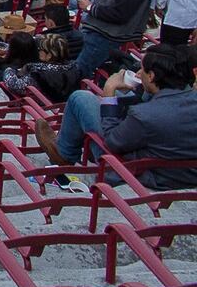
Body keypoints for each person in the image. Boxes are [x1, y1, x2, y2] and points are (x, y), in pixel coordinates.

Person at [35, 45, 197, 191]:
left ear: (152, 76)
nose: (139, 73)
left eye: (142, 70)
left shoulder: (144, 115)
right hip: (187, 173)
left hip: (144, 173)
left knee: (81, 98)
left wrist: (109, 92)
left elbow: (111, 142)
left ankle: (64, 154)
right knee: (119, 97)